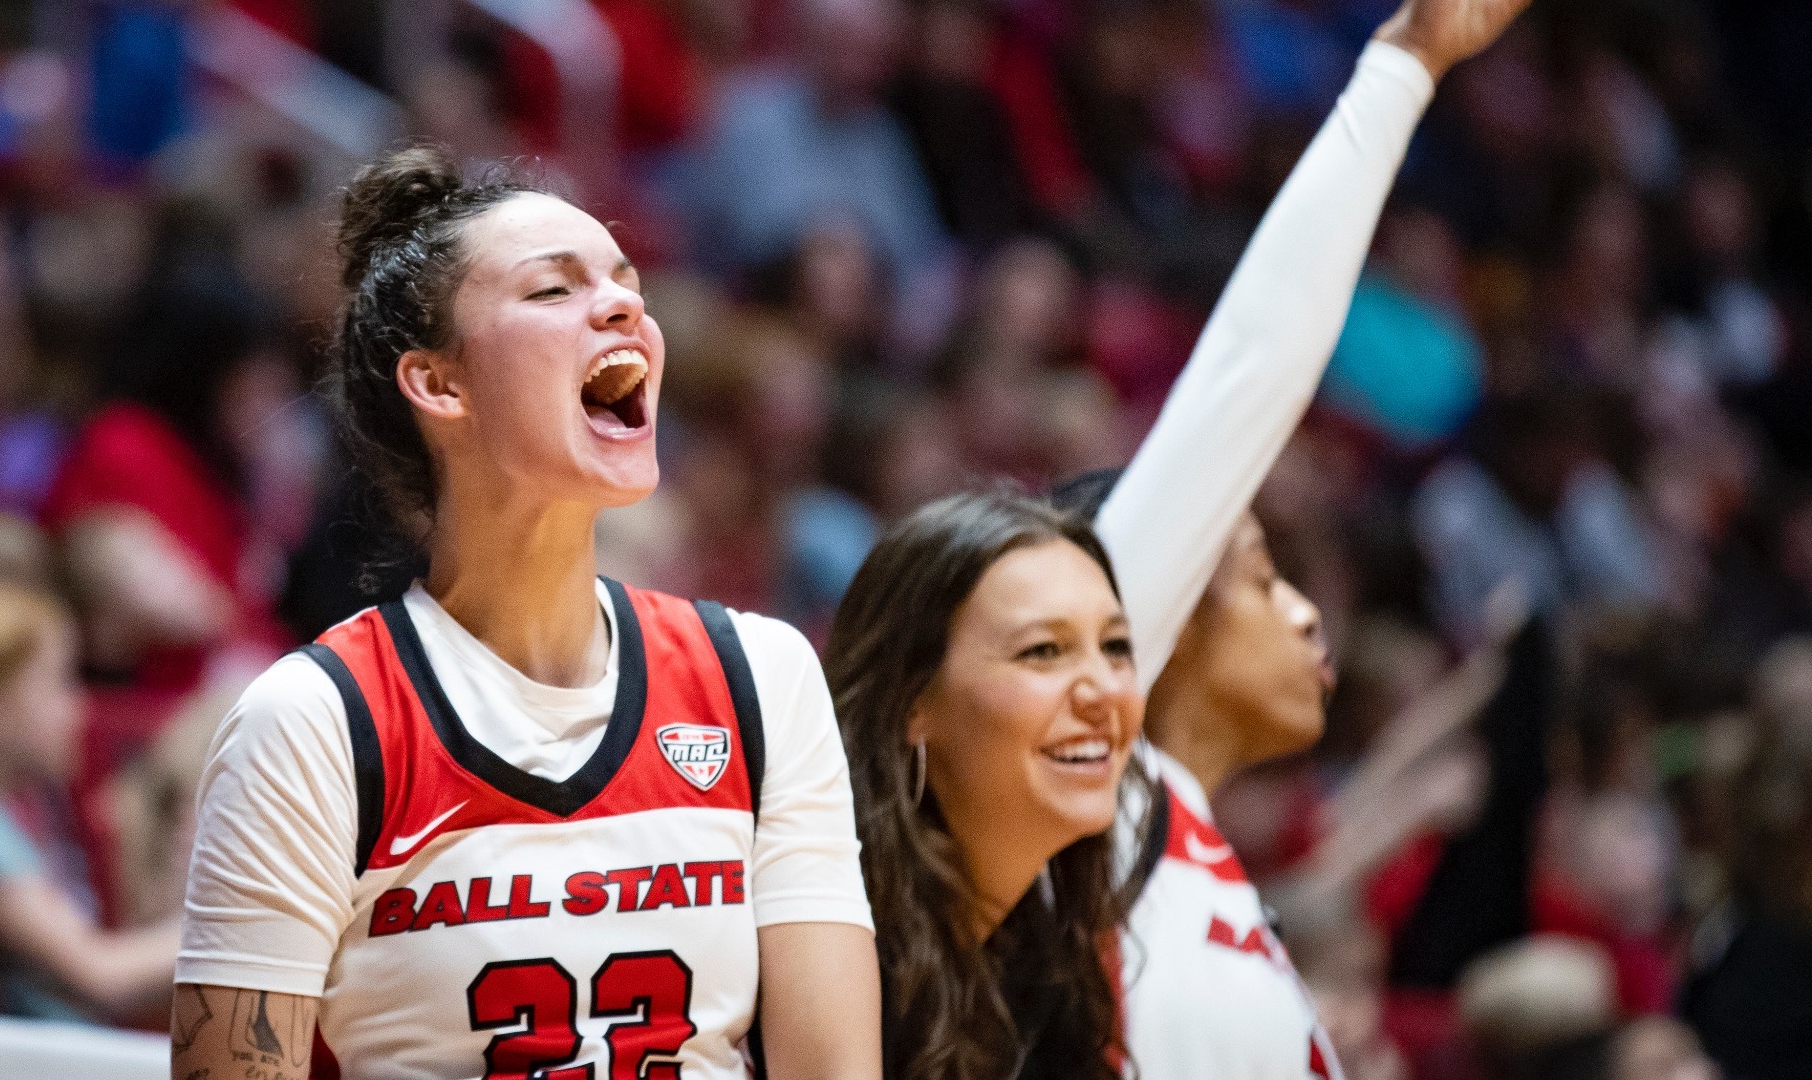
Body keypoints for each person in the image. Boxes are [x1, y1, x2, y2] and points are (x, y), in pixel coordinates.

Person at [171, 149, 881, 1080]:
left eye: (628, 286)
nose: (623, 307)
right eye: (554, 289)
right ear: (440, 384)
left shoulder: (761, 677)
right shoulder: (313, 723)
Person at [1037, 0, 1534, 1075]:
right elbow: (1248, 371)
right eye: (1264, 579)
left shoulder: (1188, 853)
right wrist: (1403, 69)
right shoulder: (1082, 824)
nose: (1306, 614)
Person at [826, 491, 1143, 1080]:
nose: (1104, 690)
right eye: (1043, 651)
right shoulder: (824, 946)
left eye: (1116, 647)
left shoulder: (1042, 967)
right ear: (910, 702)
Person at [0, 574, 178, 1020]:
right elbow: (102, 973)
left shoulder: (11, 806)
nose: (79, 707)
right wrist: (246, 928)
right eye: (57, 684)